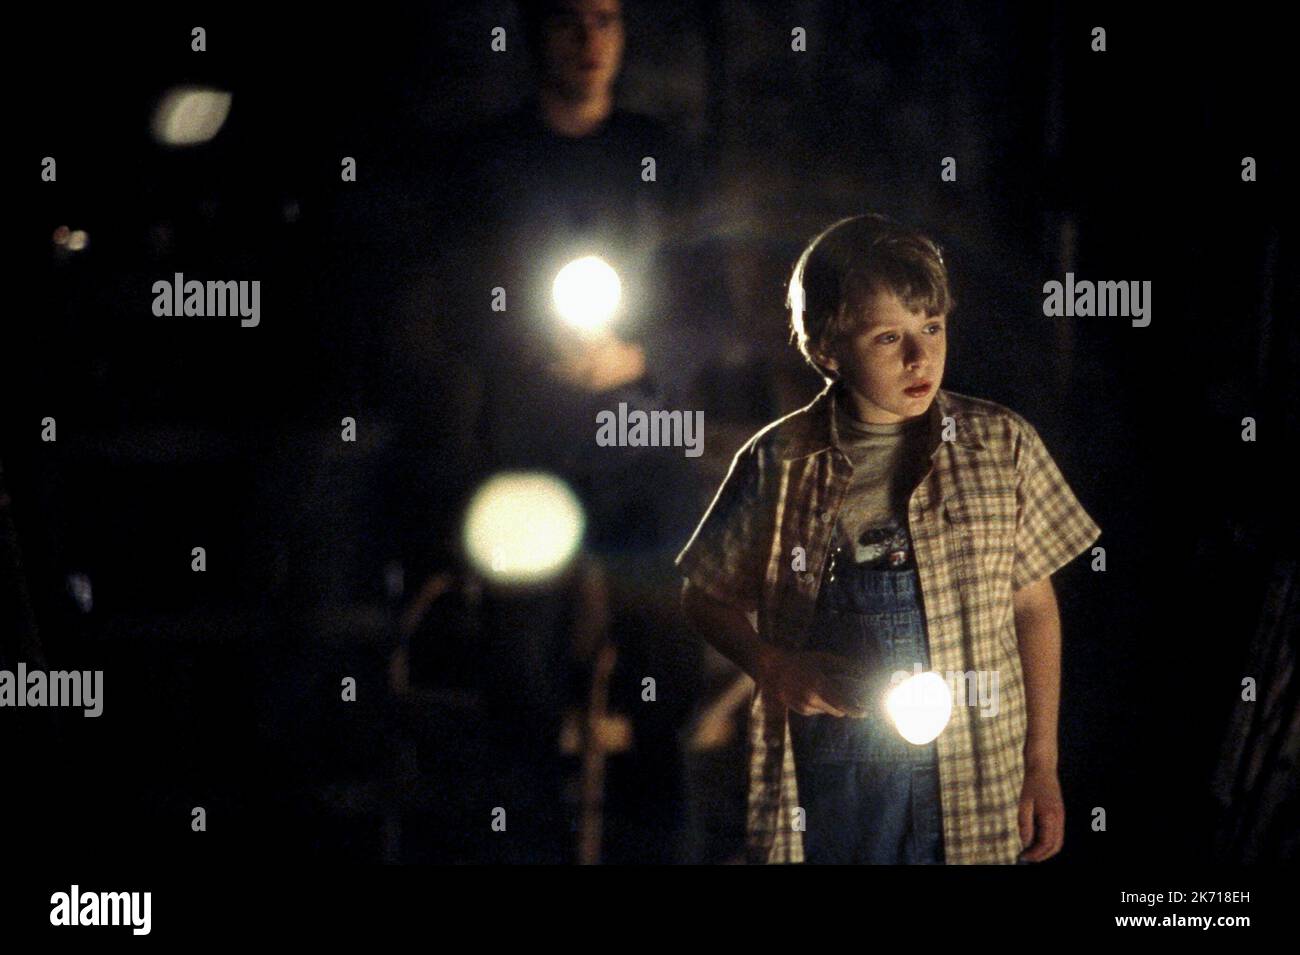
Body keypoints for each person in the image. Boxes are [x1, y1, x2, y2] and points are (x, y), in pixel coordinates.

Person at [677, 213, 1102, 864]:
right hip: (839, 784)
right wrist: (772, 664)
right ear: (827, 348)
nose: (920, 356)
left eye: (931, 327)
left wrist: (1041, 764)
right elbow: (704, 596)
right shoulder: (780, 462)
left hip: (976, 775)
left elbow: (1033, 607)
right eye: (887, 337)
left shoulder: (1002, 446)